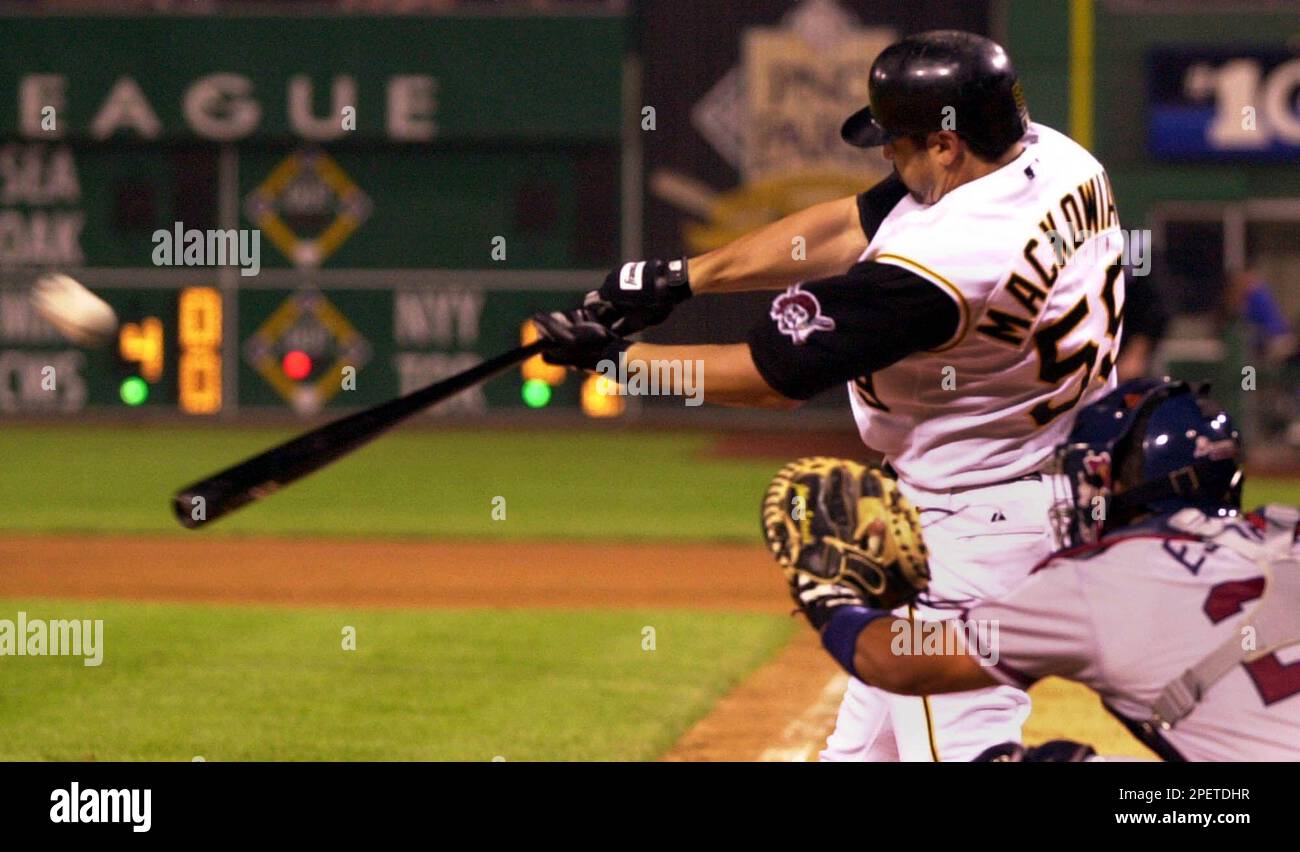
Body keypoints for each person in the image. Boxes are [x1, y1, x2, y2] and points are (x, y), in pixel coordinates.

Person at [533, 30, 1127, 761]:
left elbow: (770, 378)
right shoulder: (1060, 159)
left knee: (967, 754)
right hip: (1048, 482)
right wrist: (684, 278)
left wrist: (619, 364)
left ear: (945, 144)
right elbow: (850, 224)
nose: (886, 155)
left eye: (898, 141)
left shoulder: (947, 261)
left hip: (977, 527)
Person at [766, 379, 1300, 761]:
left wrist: (828, 595)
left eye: (1097, 474)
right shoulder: (1285, 528)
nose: (1085, 488)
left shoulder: (1099, 580)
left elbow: (907, 660)